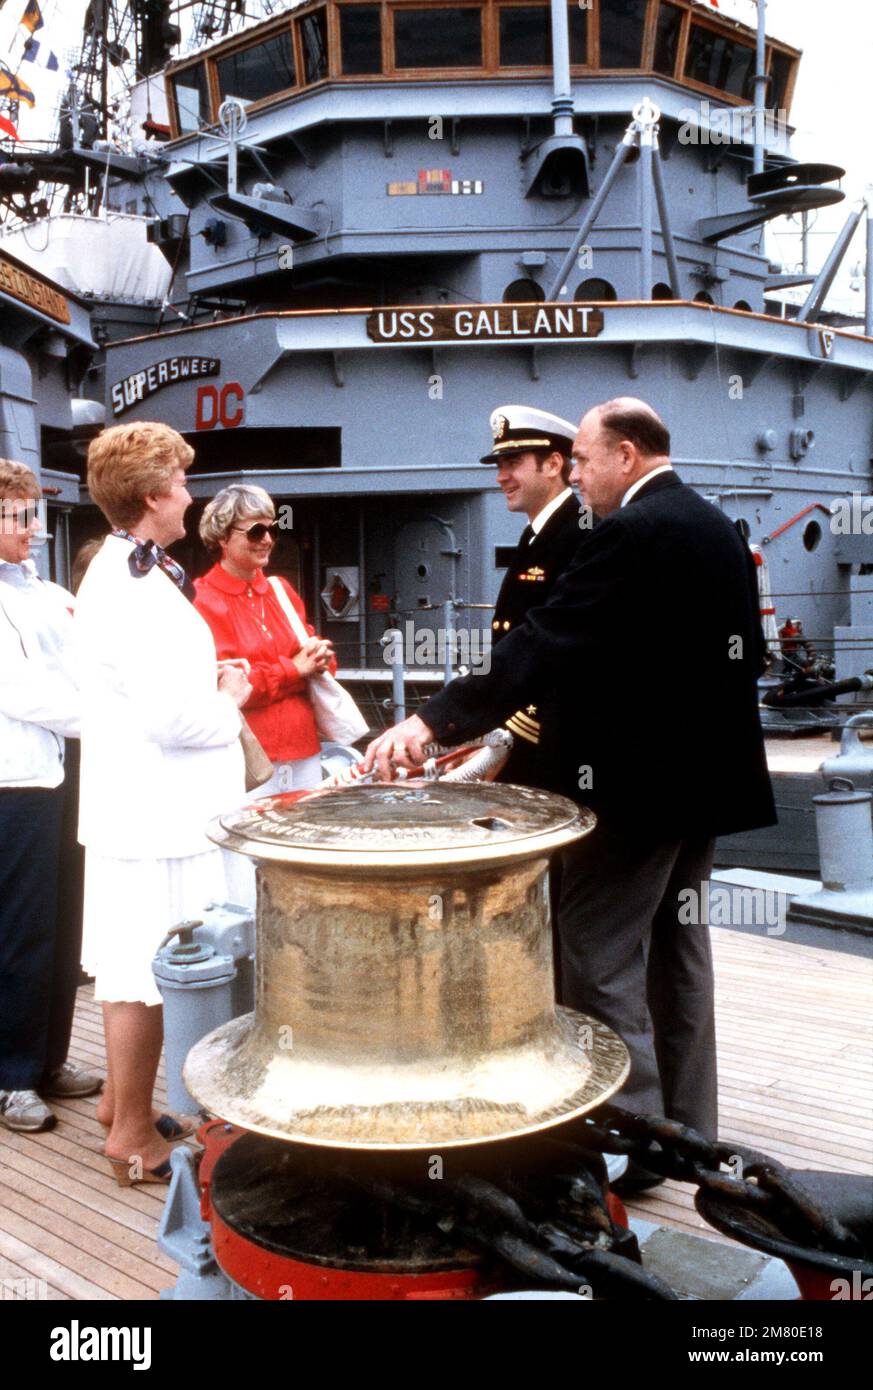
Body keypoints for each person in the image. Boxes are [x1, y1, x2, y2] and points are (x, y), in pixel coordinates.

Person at [365, 397, 775, 1178]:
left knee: (596, 954)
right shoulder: (714, 525)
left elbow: (550, 642)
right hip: (700, 789)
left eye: (582, 461)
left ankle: (638, 1143)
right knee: (677, 955)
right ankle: (691, 1129)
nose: (577, 477)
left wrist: (434, 720)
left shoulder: (632, 530)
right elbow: (741, 656)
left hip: (636, 790)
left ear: (624, 454)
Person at [75, 422, 253, 1185]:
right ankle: (135, 1136)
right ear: (152, 496)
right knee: (146, 971)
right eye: (180, 482)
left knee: (131, 962)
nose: (189, 494)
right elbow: (173, 721)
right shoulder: (136, 588)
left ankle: (120, 1105)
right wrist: (231, 697)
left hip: (141, 809)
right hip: (158, 817)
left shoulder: (124, 572)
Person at [0, 460, 100, 1133]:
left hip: (64, 771)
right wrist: (108, 718)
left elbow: (83, 663)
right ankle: (11, 1076)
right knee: (20, 932)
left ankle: (48, 1058)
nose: (34, 529)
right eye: (18, 517)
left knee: (64, 927)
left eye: (34, 514)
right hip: (16, 783)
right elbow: (22, 692)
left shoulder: (41, 592)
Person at [194, 484, 334, 796]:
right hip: (249, 756)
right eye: (256, 531)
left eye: (272, 529)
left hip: (305, 751)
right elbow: (231, 687)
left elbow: (318, 662)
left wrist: (320, 659)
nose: (268, 539)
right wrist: (294, 670)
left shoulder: (281, 590)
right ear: (222, 537)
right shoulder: (203, 599)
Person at [482, 405, 585, 790]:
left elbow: (566, 651)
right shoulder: (536, 534)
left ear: (554, 463)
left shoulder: (580, 533)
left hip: (550, 737)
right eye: (499, 464)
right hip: (521, 725)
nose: (501, 477)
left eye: (512, 463)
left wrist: (510, 733)